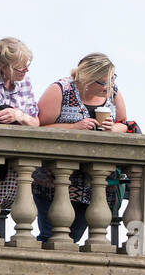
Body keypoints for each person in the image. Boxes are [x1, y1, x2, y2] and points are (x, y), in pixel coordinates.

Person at [33, 53, 131, 242]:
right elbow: (38, 127)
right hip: (56, 179)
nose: (109, 86)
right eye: (104, 82)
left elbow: (125, 124)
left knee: (75, 235)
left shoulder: (113, 92)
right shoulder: (61, 90)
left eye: (112, 79)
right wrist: (73, 127)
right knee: (51, 235)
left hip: (94, 181)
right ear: (87, 79)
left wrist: (113, 129)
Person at [0, 38, 40, 216]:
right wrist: (7, 117)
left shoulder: (24, 80)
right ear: (3, 65)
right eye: (21, 67)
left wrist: (19, 115)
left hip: (10, 161)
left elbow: (36, 122)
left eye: (27, 65)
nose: (26, 70)